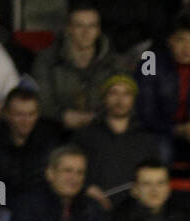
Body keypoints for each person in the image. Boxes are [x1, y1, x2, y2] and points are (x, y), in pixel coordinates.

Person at [136, 14, 190, 179]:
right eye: (180, 40)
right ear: (170, 41)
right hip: (159, 132)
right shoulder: (150, 61)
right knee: (162, 149)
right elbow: (144, 113)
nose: (187, 47)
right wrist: (176, 130)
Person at [31, 3, 122, 135]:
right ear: (68, 29)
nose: (86, 32)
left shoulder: (113, 62)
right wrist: (62, 115)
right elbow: (40, 99)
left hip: (102, 131)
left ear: (98, 30)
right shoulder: (47, 60)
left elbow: (123, 98)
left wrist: (97, 117)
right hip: (56, 131)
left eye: (92, 26)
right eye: (79, 26)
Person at [73, 74, 160, 211]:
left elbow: (156, 176)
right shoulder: (85, 135)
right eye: (114, 92)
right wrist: (87, 188)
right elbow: (70, 169)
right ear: (104, 98)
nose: (120, 100)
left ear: (134, 100)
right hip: (93, 208)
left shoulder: (147, 138)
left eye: (126, 94)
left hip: (136, 212)